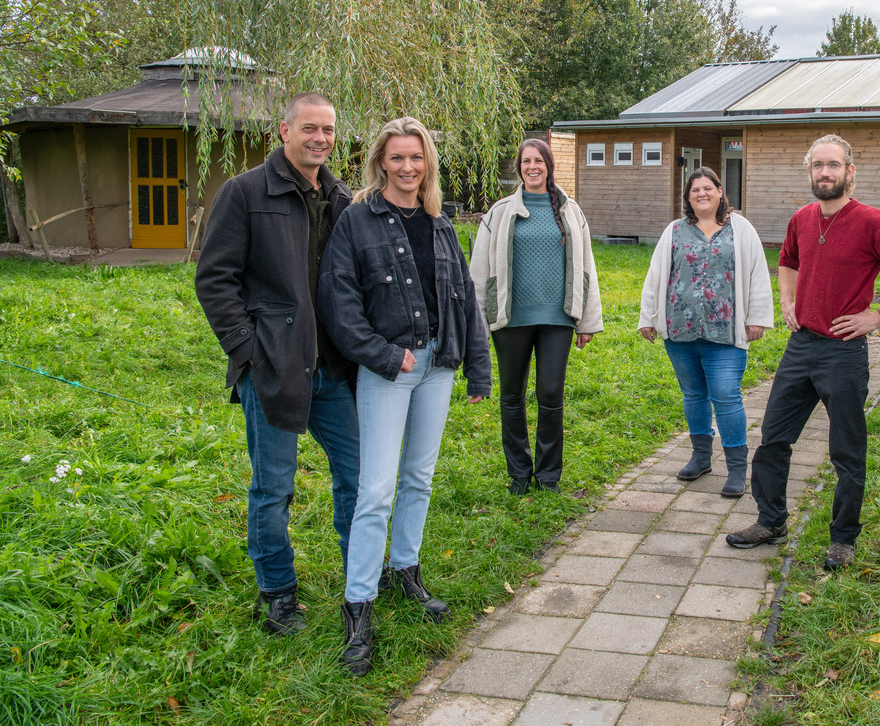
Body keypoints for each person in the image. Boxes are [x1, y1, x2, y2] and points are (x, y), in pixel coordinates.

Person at [317, 117, 492, 677]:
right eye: (398, 158)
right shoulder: (356, 221)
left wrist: (477, 369)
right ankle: (358, 604)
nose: (408, 168)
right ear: (380, 162)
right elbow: (339, 304)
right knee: (376, 489)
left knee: (419, 477)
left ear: (428, 163)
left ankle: (406, 570)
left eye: (417, 158)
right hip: (389, 371)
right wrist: (388, 356)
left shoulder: (440, 223)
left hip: (438, 366)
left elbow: (465, 296)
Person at [726, 134, 880, 570]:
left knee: (846, 449)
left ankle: (843, 539)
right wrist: (787, 301)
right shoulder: (802, 218)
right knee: (773, 439)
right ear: (810, 171)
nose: (826, 173)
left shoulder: (873, 223)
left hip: (844, 351)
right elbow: (787, 259)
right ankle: (771, 521)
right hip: (801, 346)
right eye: (819, 165)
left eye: (834, 165)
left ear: (850, 172)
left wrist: (878, 316)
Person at [195, 91, 360, 636]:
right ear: (284, 132)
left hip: (332, 369)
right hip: (273, 368)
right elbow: (214, 279)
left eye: (329, 131)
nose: (321, 139)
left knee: (359, 477)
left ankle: (359, 578)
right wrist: (247, 349)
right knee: (273, 488)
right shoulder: (244, 193)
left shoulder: (339, 197)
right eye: (310, 128)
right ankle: (276, 593)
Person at [470, 138, 603, 495]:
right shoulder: (499, 212)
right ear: (519, 167)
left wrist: (587, 320)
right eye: (526, 161)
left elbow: (586, 266)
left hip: (557, 319)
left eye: (539, 161)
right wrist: (477, 326)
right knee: (511, 395)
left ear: (548, 165)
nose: (533, 167)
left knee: (550, 393)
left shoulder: (570, 210)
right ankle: (518, 474)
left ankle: (547, 476)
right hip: (510, 320)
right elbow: (479, 272)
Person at [639, 167, 773, 497]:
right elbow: (656, 275)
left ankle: (737, 469)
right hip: (680, 331)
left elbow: (757, 273)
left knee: (726, 395)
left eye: (708, 188)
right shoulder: (674, 231)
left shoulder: (740, 229)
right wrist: (648, 318)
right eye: (695, 189)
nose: (702, 193)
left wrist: (756, 318)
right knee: (694, 395)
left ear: (719, 192)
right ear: (688, 196)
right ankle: (701, 457)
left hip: (725, 333)